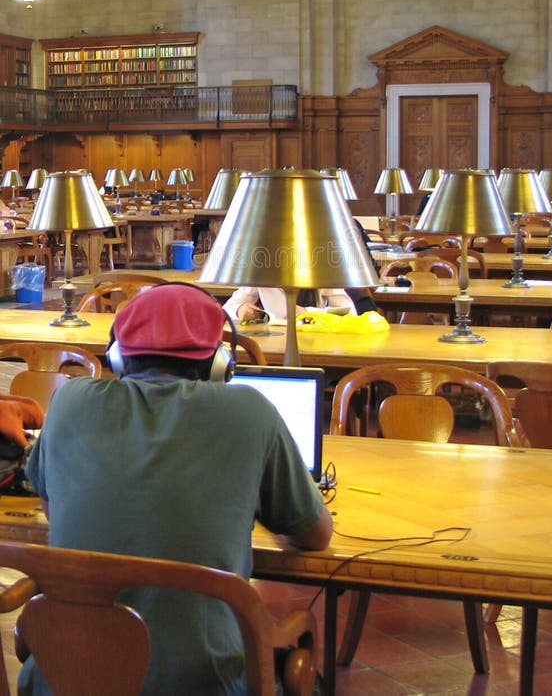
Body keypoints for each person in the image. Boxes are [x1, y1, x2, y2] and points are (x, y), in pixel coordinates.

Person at [21, 284, 332, 695]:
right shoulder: (249, 411)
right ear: (219, 365)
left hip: (63, 679)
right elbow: (316, 534)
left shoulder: (68, 401)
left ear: (117, 357)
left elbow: (53, 508)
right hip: (206, 684)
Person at [223, 285, 357, 323]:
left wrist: (308, 313)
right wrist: (239, 310)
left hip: (314, 345)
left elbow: (350, 314)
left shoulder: (321, 269)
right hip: (273, 345)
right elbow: (226, 309)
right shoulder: (262, 269)